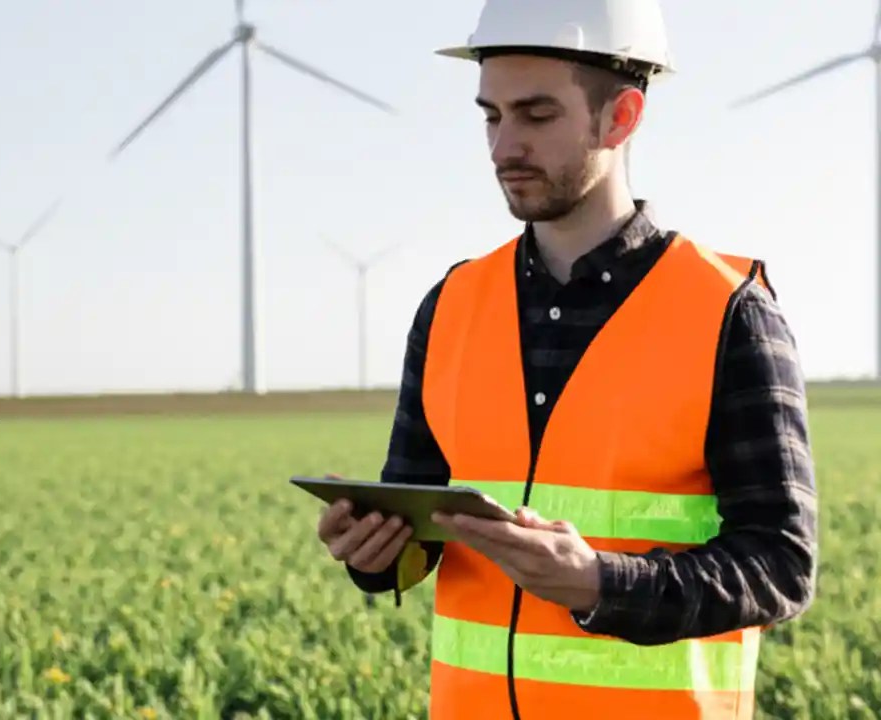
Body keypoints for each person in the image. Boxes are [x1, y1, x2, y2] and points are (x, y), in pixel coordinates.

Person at [314, 0, 818, 717]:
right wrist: (375, 552)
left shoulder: (729, 311)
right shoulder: (450, 305)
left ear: (621, 117)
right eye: (491, 116)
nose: (502, 147)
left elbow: (780, 567)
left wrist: (601, 583)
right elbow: (422, 534)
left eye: (536, 115)